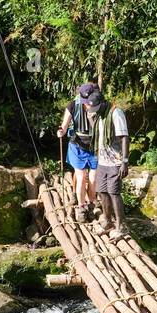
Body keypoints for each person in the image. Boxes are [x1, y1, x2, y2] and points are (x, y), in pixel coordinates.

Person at [56, 84, 102, 221]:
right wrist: (61, 131)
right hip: (77, 145)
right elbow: (64, 125)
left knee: (93, 179)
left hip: (94, 147)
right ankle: (81, 206)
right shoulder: (73, 105)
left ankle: (92, 203)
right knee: (81, 177)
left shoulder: (99, 105)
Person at [90, 94, 130, 239]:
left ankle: (121, 226)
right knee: (102, 191)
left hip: (115, 161)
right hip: (102, 161)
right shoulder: (100, 115)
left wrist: (125, 161)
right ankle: (107, 221)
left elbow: (124, 137)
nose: (94, 110)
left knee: (114, 192)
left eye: (96, 107)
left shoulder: (115, 113)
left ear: (103, 103)